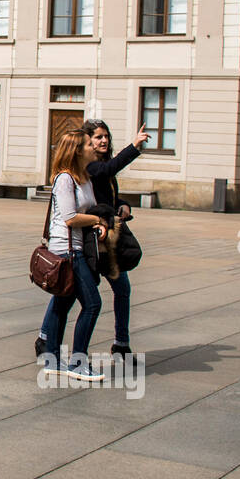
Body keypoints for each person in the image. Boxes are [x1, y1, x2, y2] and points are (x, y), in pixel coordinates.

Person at [36, 129, 109, 382]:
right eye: (89, 143)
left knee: (62, 302)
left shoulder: (85, 177)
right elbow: (69, 218)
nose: (94, 146)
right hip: (66, 249)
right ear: (78, 151)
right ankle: (78, 363)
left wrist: (99, 219)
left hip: (77, 246)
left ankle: (52, 361)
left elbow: (89, 209)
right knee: (92, 304)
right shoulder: (65, 179)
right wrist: (97, 219)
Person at [83, 120, 150, 357]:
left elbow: (109, 199)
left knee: (122, 289)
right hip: (92, 242)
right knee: (70, 294)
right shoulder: (90, 166)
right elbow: (108, 170)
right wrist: (134, 146)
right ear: (87, 141)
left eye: (106, 137)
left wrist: (123, 206)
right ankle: (46, 336)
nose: (103, 141)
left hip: (109, 242)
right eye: (98, 137)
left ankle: (121, 343)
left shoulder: (103, 166)